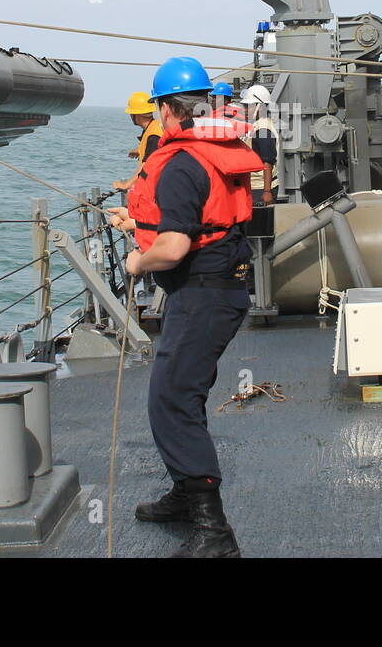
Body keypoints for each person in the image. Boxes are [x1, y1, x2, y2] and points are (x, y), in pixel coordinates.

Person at [107, 56, 263, 556]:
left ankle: (214, 533)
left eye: (158, 110)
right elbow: (199, 224)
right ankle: (183, 493)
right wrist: (139, 227)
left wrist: (136, 263)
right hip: (216, 287)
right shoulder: (213, 152)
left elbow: (172, 249)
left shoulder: (179, 164)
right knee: (180, 395)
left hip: (204, 293)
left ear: (170, 111)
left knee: (172, 402)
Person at [113, 91, 164, 191]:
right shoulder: (154, 126)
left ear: (136, 114)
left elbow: (147, 165)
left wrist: (126, 185)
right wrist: (138, 151)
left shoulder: (153, 136)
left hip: (157, 189)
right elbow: (155, 150)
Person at [240, 84, 278, 204]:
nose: (245, 110)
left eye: (248, 106)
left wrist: (267, 192)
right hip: (256, 186)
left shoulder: (263, 129)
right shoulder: (258, 125)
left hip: (260, 188)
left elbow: (267, 162)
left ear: (260, 107)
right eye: (245, 106)